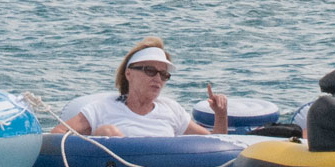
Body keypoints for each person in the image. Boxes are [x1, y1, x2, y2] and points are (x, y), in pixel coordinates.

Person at [51, 39, 228, 137]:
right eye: (150, 71)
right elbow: (58, 133)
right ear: (129, 74)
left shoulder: (171, 110)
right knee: (107, 131)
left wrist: (220, 114)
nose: (158, 78)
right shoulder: (102, 108)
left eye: (164, 74)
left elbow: (214, 142)